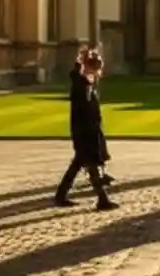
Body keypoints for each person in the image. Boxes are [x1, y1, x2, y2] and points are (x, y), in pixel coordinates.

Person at [54, 52, 118, 211]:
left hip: (86, 131)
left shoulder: (84, 84)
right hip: (85, 132)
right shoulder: (82, 86)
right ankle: (102, 199)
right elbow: (85, 112)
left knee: (78, 164)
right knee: (90, 165)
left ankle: (61, 195)